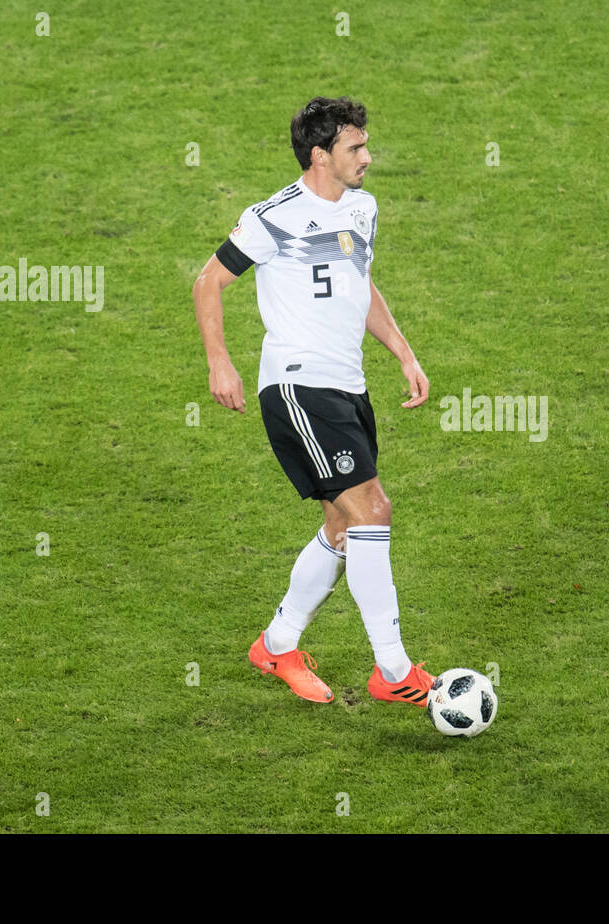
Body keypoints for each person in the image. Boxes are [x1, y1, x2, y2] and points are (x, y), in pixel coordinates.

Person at [191, 96, 433, 707]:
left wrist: (402, 353)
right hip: (298, 386)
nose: (368, 158)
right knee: (373, 510)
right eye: (356, 148)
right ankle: (393, 670)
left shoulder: (363, 208)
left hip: (348, 385)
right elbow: (207, 282)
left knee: (343, 525)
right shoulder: (274, 217)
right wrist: (221, 362)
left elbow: (360, 282)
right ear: (320, 155)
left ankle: (276, 646)